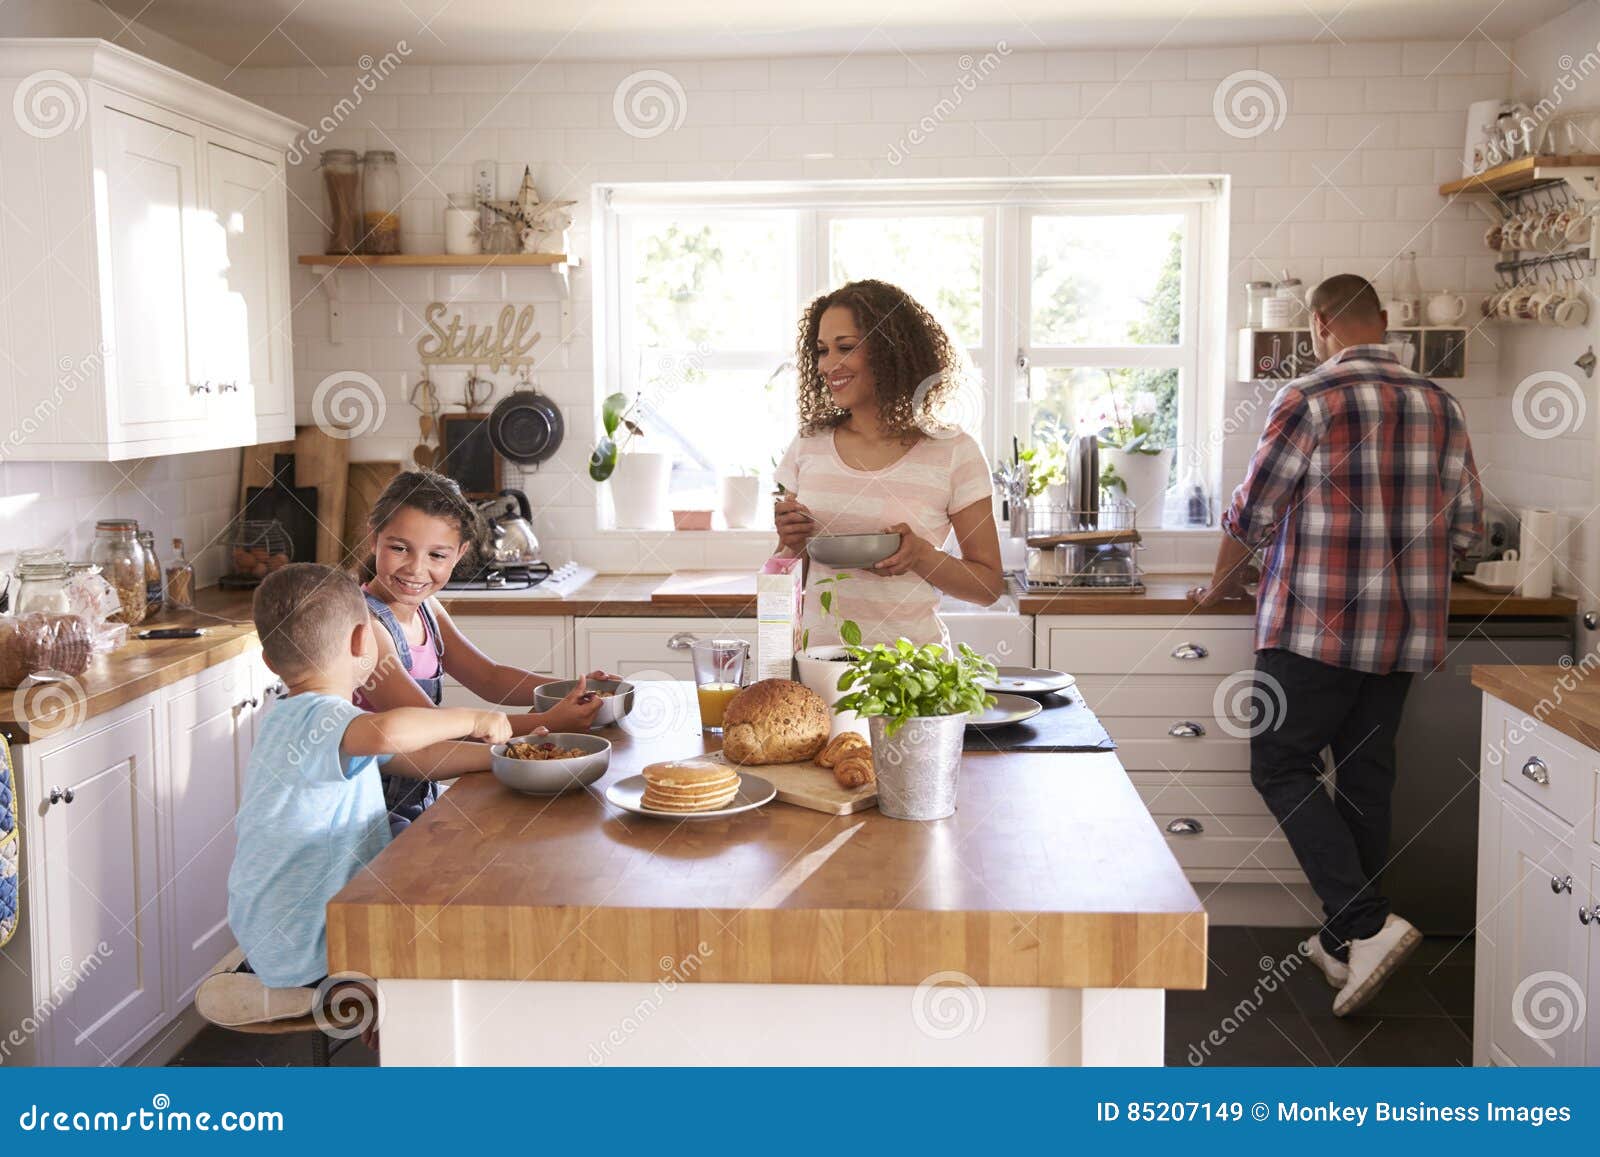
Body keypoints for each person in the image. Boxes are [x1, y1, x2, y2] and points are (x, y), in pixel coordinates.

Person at [1189, 273, 1482, 1016]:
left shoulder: (1309, 398)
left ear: (1320, 325)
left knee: (1278, 762)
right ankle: (1347, 942)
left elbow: (1251, 513)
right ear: (1383, 323)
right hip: (1403, 629)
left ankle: (1364, 922)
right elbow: (1471, 534)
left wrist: (1219, 588)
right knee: (1364, 777)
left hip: (1314, 625)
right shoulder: (1440, 403)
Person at [226, 564, 514, 1001]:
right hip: (308, 946)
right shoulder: (326, 718)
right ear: (363, 642)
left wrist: (502, 759)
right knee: (445, 897)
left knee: (414, 851)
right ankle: (368, 997)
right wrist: (474, 719)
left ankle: (371, 999)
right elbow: (389, 733)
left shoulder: (289, 720)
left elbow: (417, 757)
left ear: (269, 661)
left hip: (274, 932)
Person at [353, 470, 614, 831]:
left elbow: (489, 677)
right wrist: (550, 723)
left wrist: (572, 690)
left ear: (459, 554)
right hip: (370, 816)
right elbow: (435, 727)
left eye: (437, 555)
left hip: (419, 797)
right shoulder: (367, 628)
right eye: (399, 548)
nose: (416, 568)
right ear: (373, 537)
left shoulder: (428, 609)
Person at [772, 279, 1004, 650]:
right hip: (819, 670)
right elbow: (788, 577)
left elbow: (988, 587)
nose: (828, 365)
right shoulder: (807, 445)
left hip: (911, 677)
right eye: (822, 350)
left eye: (845, 348)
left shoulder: (954, 451)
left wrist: (922, 556)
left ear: (890, 351)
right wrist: (791, 544)